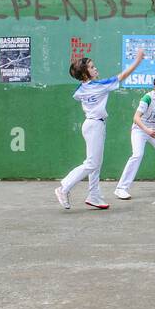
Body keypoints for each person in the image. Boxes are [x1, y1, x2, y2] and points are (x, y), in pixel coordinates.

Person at [56, 46, 145, 211]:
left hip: (94, 124)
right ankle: (64, 187)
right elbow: (122, 76)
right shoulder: (99, 85)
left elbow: (78, 94)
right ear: (84, 73)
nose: (95, 68)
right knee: (91, 163)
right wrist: (138, 61)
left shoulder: (82, 89)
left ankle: (94, 196)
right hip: (94, 125)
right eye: (91, 67)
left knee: (96, 164)